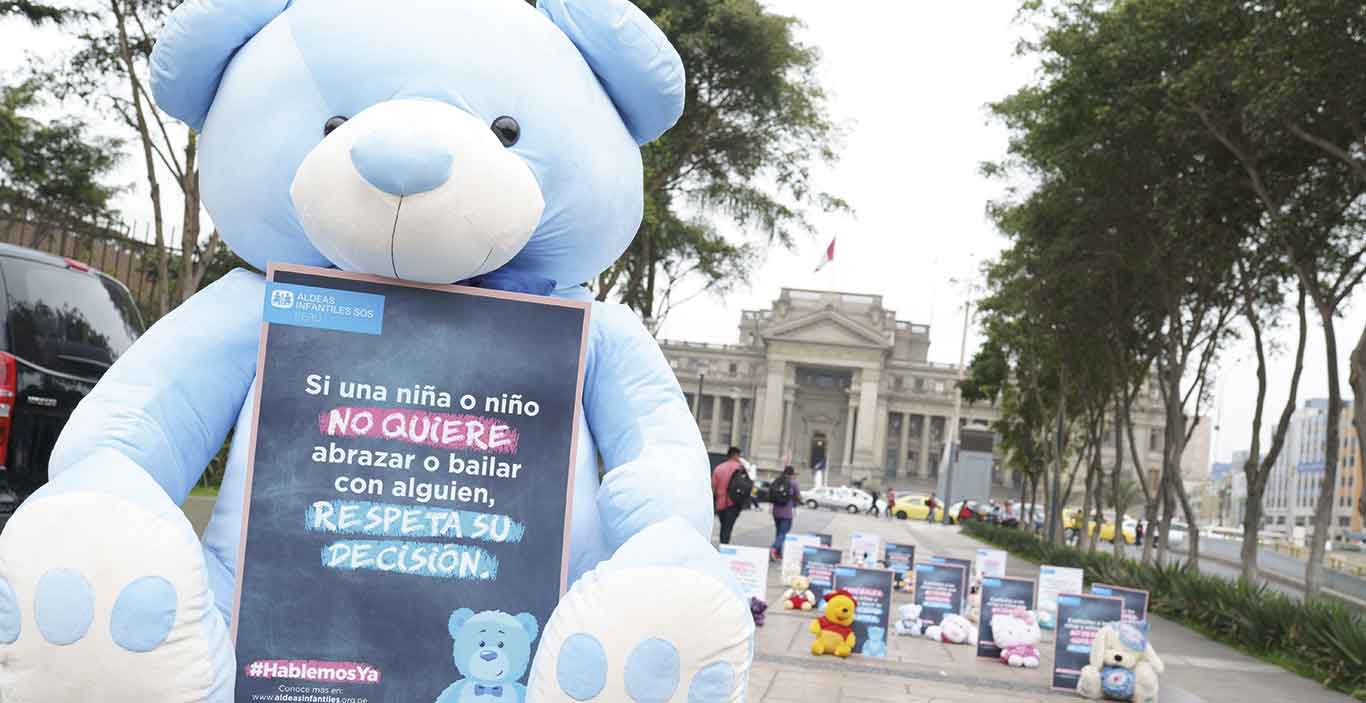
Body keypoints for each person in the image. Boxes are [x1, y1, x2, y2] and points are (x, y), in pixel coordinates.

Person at [712, 446, 746, 544]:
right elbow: (747, 485)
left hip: (720, 504)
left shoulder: (719, 468)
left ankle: (724, 544)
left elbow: (713, 487)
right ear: (735, 455)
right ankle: (724, 546)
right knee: (728, 528)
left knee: (724, 526)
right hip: (734, 504)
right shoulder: (740, 468)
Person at [769, 465, 802, 561]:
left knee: (778, 532)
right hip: (786, 513)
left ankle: (778, 554)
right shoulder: (793, 483)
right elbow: (798, 496)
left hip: (776, 512)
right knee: (783, 533)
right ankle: (774, 548)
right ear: (791, 474)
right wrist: (800, 501)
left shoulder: (777, 480)